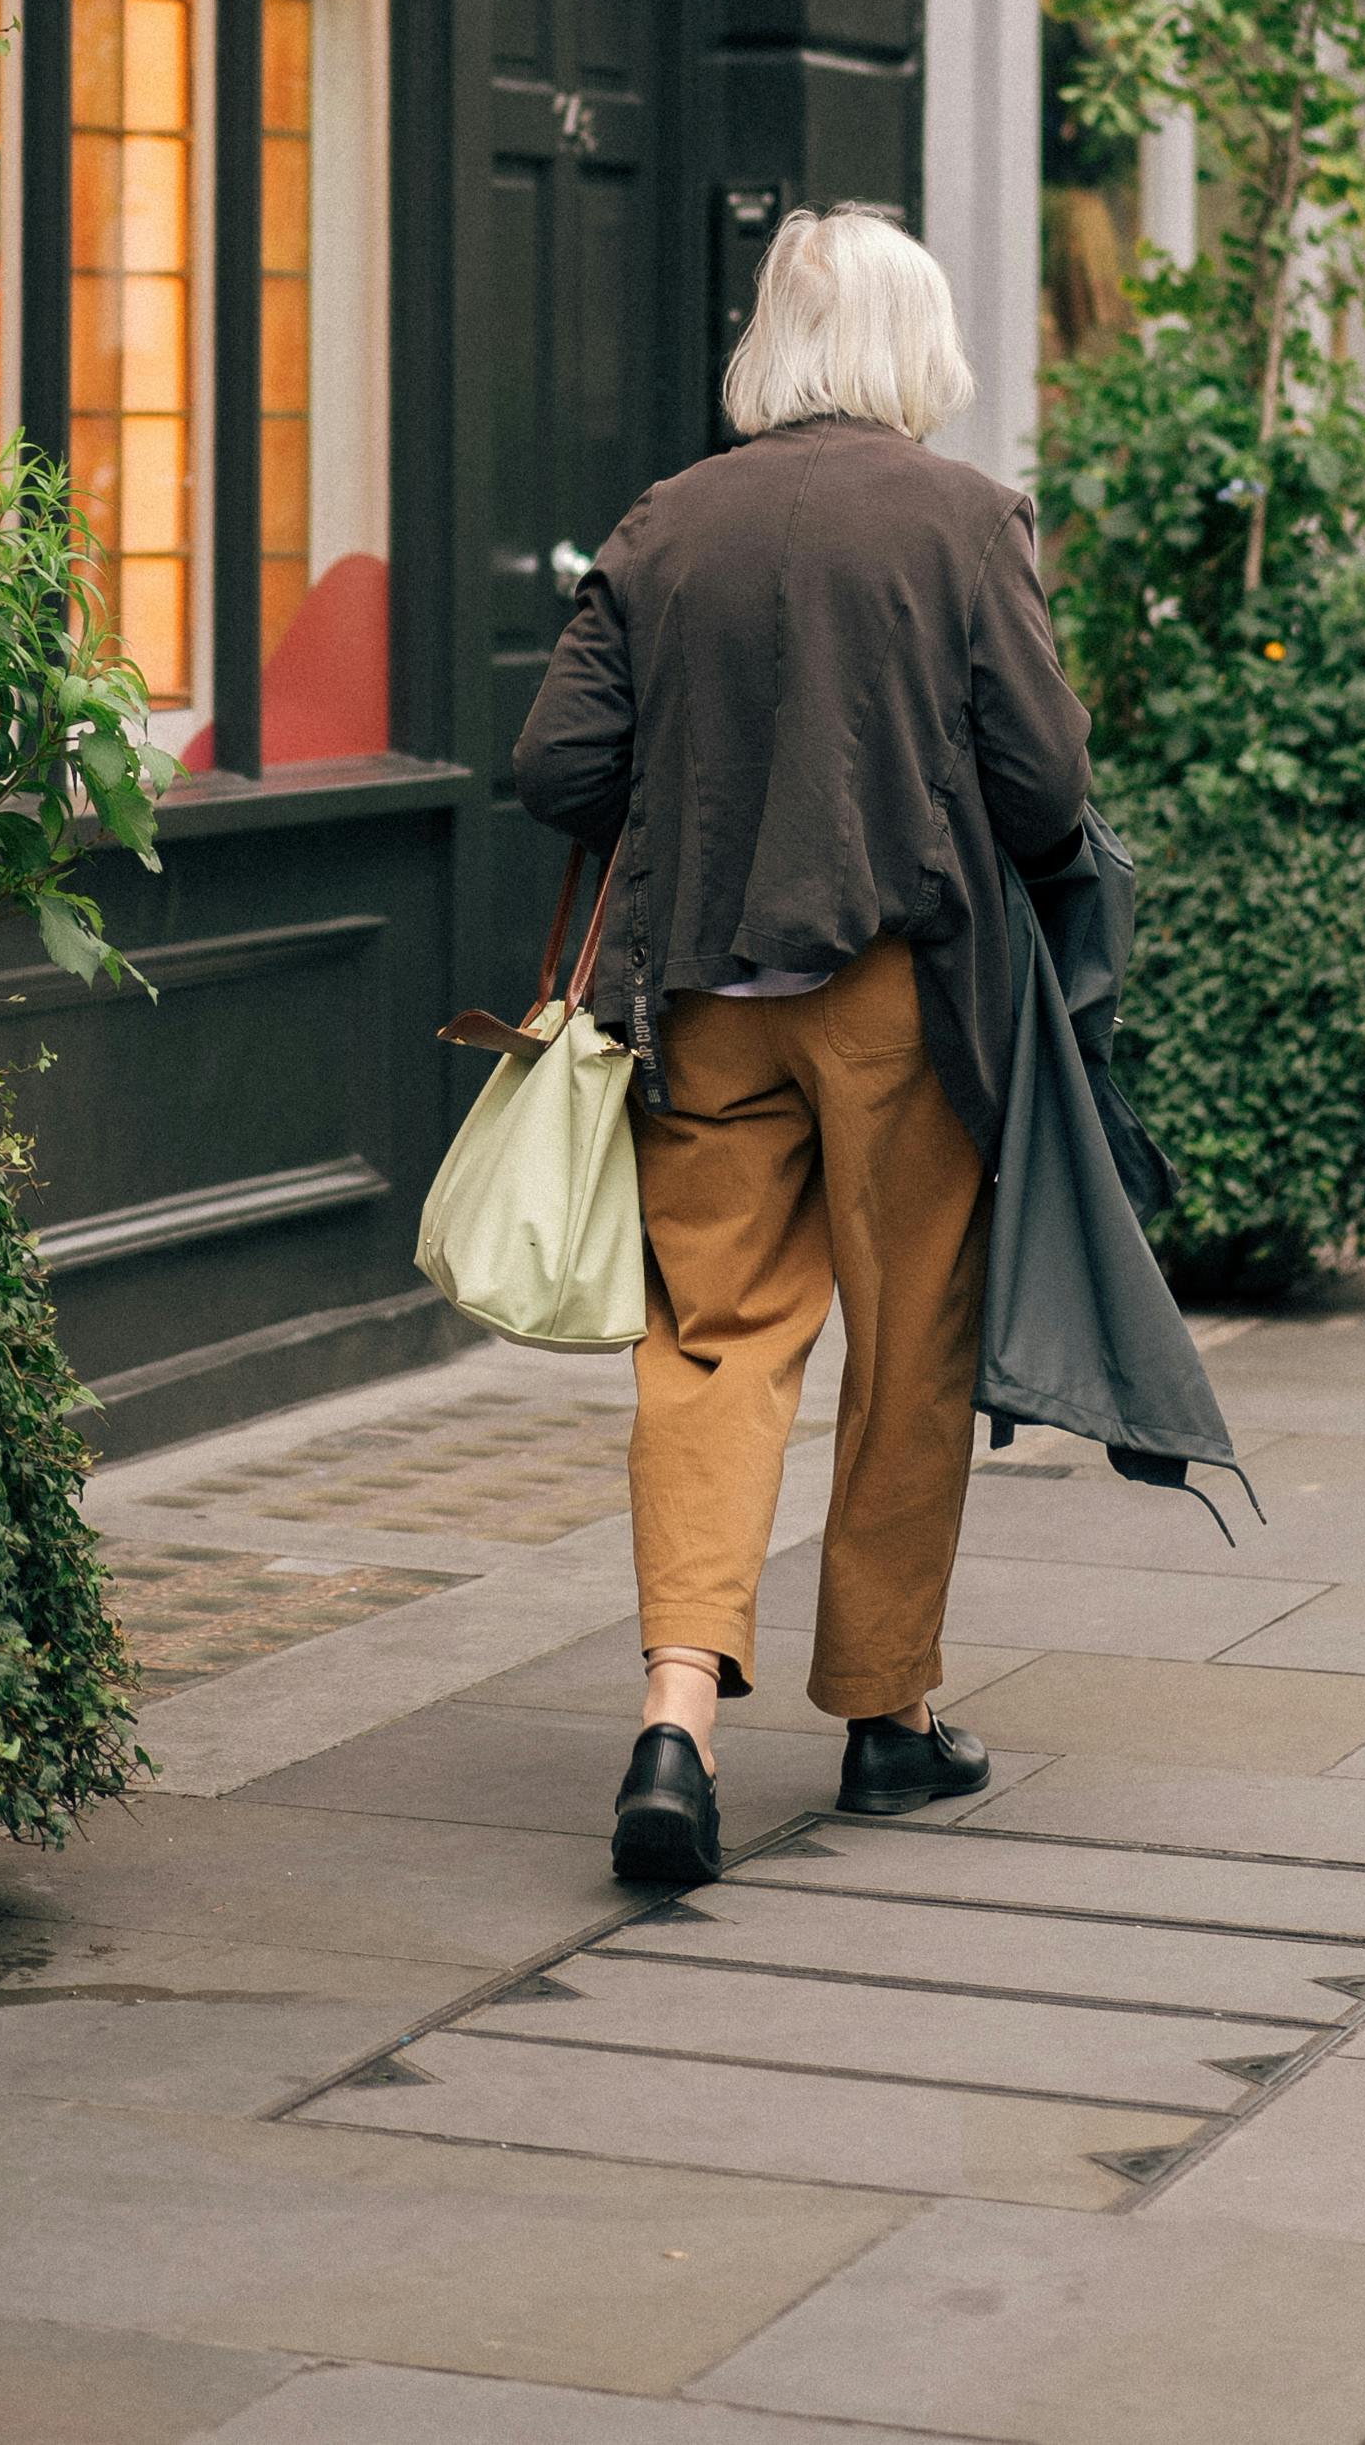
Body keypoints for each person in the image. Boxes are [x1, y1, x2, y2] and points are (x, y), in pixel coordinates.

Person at [513, 204, 1091, 1890]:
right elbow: (1050, 796)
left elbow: (558, 767)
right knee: (909, 1345)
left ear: (774, 342)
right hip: (905, 993)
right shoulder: (966, 520)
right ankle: (886, 1718)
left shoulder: (669, 521)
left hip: (703, 990)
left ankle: (676, 1718)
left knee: (708, 1344)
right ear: (915, 347)